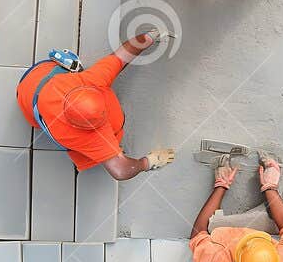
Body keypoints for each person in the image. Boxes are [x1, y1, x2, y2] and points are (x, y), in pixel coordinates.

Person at [15, 33, 175, 180]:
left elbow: (124, 54)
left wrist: (148, 37)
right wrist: (148, 162)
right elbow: (121, 170)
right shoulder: (83, 136)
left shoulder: (89, 80)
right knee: (89, 155)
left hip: (31, 86)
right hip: (32, 87)